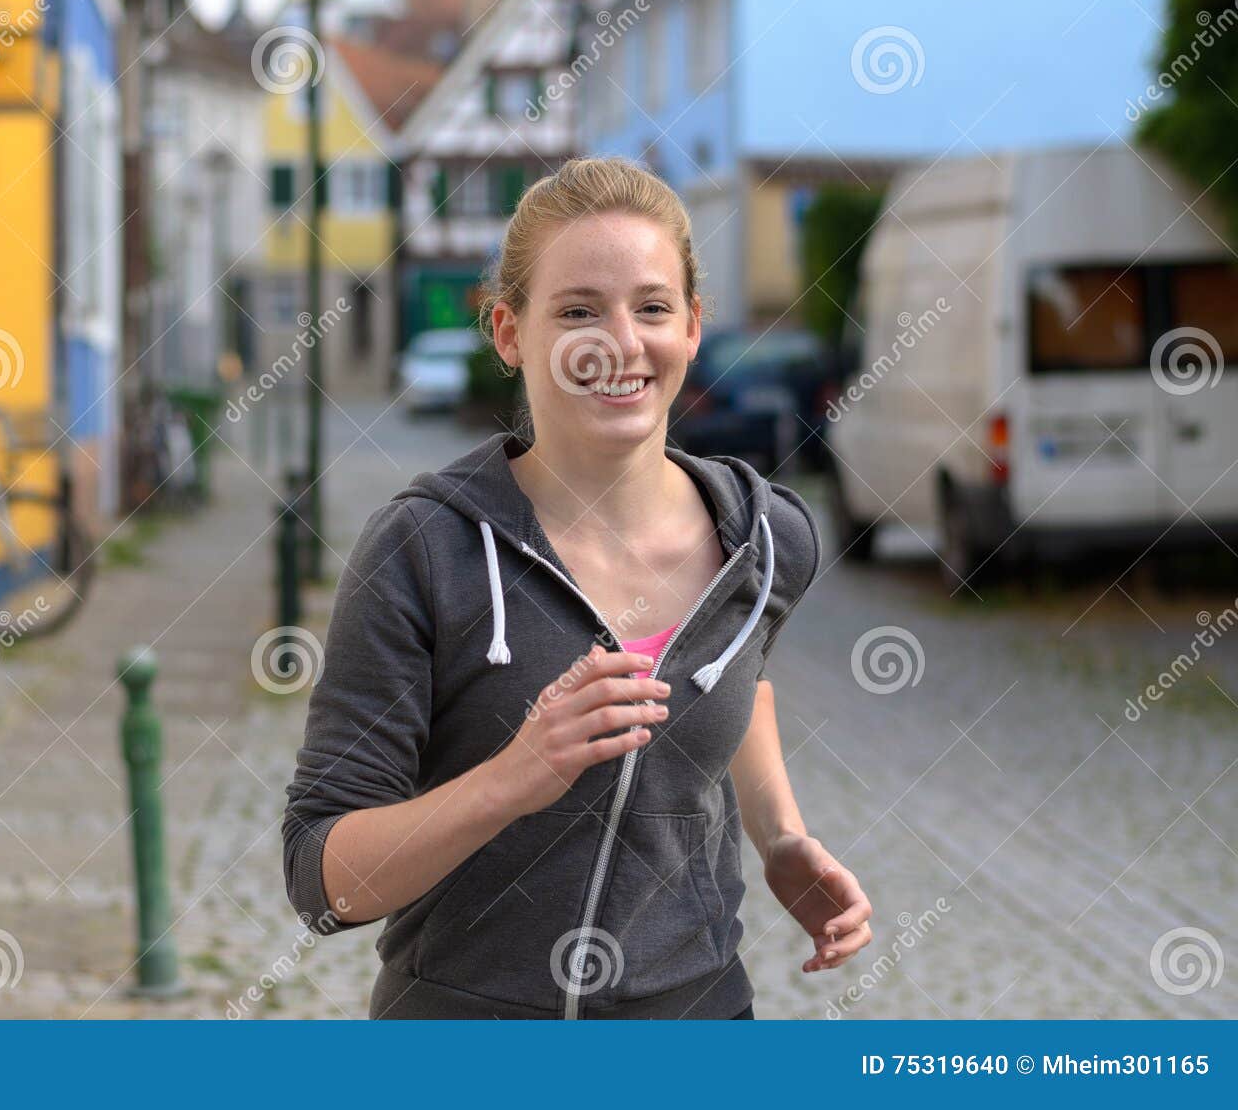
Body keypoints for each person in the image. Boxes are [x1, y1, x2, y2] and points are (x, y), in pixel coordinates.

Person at [282, 156, 872, 1019]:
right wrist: (511, 779)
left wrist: (781, 835)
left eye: (652, 308)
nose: (619, 343)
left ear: (693, 326)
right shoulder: (423, 549)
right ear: (509, 333)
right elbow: (321, 878)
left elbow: (741, 680)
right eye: (578, 312)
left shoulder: (767, 538)